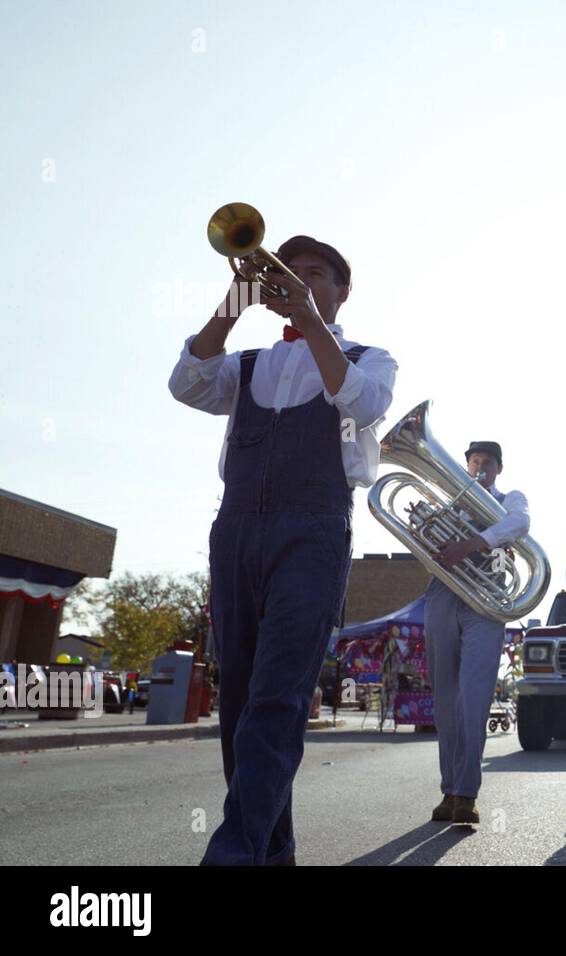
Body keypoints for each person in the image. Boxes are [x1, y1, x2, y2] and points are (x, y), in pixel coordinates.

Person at [169, 234, 397, 865]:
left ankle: (233, 855)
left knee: (277, 696)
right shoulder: (245, 363)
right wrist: (234, 302)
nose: (297, 280)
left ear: (341, 290)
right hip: (236, 529)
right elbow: (185, 384)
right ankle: (274, 851)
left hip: (314, 530)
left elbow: (363, 402)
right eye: (287, 273)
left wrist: (310, 320)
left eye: (315, 274)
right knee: (241, 699)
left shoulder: (368, 358)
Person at [425, 441, 530, 826]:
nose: (481, 467)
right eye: (474, 462)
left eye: (488, 463)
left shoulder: (510, 499)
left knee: (474, 697)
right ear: (466, 466)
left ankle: (466, 793)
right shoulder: (449, 498)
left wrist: (470, 544)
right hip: (441, 593)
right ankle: (449, 790)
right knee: (445, 700)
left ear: (499, 468)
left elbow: (520, 525)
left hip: (485, 596)